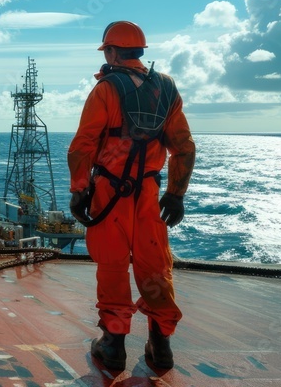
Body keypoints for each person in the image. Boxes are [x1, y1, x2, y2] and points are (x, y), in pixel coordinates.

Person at [67, 21, 195, 371]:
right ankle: (160, 345)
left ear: (110, 51)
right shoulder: (166, 89)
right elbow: (183, 148)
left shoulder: (106, 89)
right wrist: (176, 194)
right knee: (155, 266)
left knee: (112, 264)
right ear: (140, 52)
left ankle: (113, 345)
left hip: (111, 193)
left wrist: (79, 190)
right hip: (151, 194)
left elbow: (83, 146)